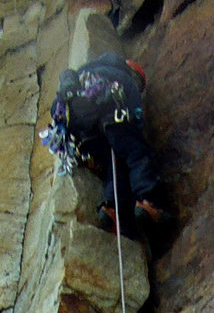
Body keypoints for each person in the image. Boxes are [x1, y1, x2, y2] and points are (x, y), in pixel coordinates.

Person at [40, 52, 171, 239]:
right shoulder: (124, 77)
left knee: (114, 163)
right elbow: (135, 117)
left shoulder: (84, 73)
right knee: (137, 153)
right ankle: (148, 201)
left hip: (82, 133)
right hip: (112, 118)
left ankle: (111, 208)